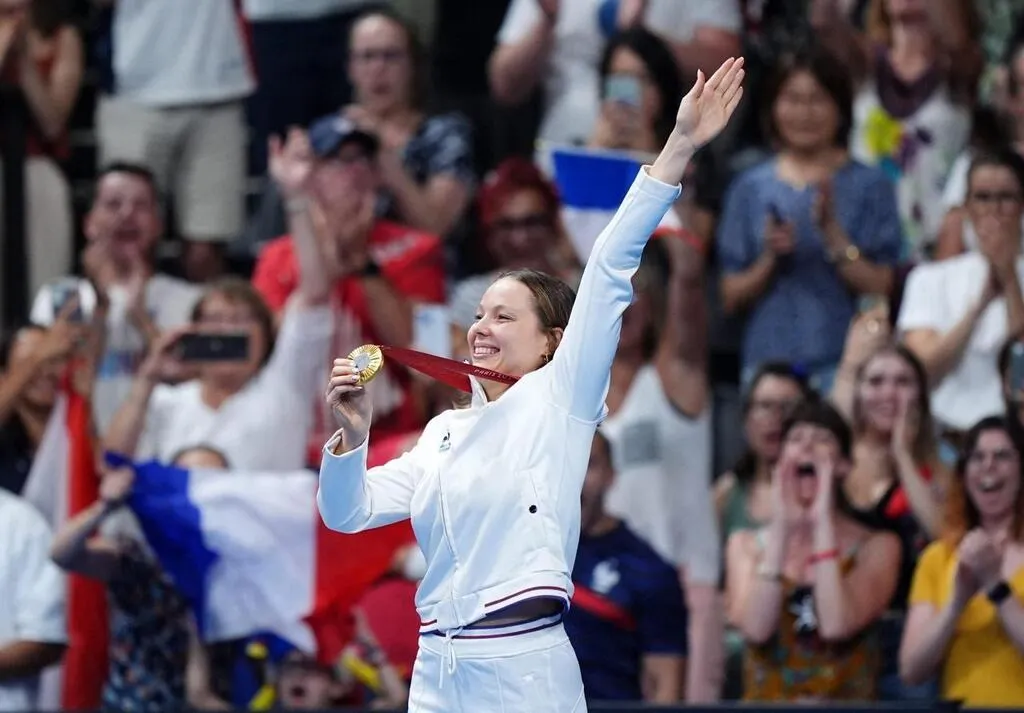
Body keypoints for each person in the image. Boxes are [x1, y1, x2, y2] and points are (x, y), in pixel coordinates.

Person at [319, 57, 746, 712]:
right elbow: (346, 513)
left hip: (523, 668)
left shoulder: (561, 399)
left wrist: (678, 144)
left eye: (505, 315)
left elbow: (607, 267)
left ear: (551, 340)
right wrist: (349, 437)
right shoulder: (443, 433)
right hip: (437, 671)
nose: (482, 325)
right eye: (481, 312)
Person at [724, 399, 901, 701]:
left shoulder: (879, 546)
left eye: (821, 439)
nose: (806, 448)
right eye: (795, 439)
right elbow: (755, 629)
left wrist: (821, 523)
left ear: (844, 465)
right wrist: (781, 527)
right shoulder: (745, 545)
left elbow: (835, 624)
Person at [899, 416, 1024, 707]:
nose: (988, 466)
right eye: (977, 457)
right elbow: (911, 671)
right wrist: (955, 604)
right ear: (964, 474)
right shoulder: (937, 558)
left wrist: (997, 587)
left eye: (1002, 456)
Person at [565, 431, 687, 703]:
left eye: (588, 464)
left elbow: (665, 686)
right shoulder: (519, 555)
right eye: (565, 463)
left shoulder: (650, 570)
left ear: (611, 475)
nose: (575, 479)